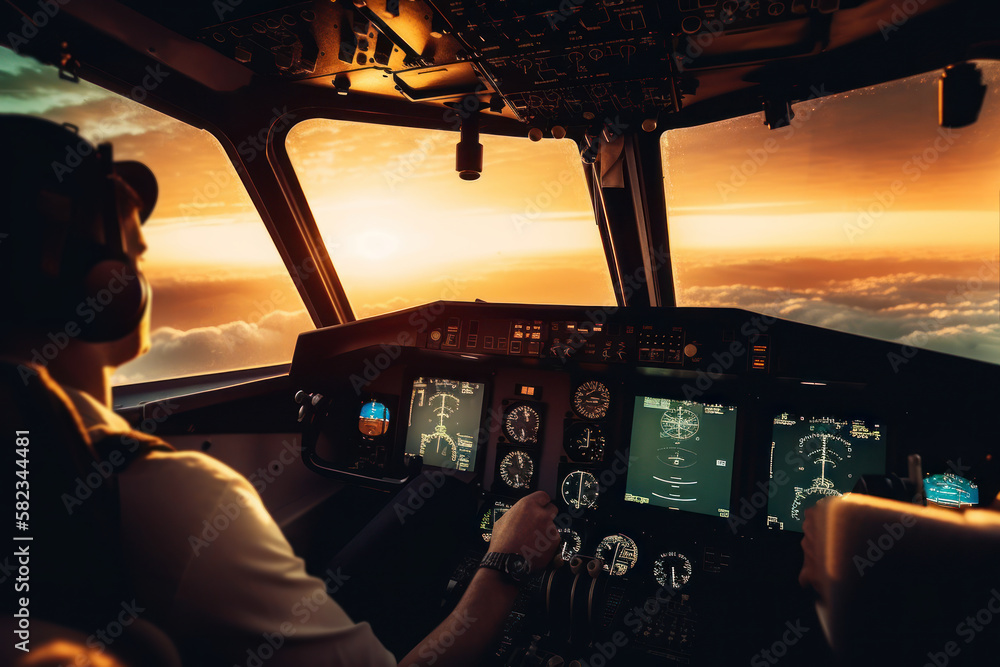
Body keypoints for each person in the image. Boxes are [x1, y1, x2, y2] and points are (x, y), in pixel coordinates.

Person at [0, 114, 560, 665]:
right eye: (134, 259)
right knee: (440, 492)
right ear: (110, 290)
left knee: (434, 489)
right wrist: (506, 565)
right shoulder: (170, 494)